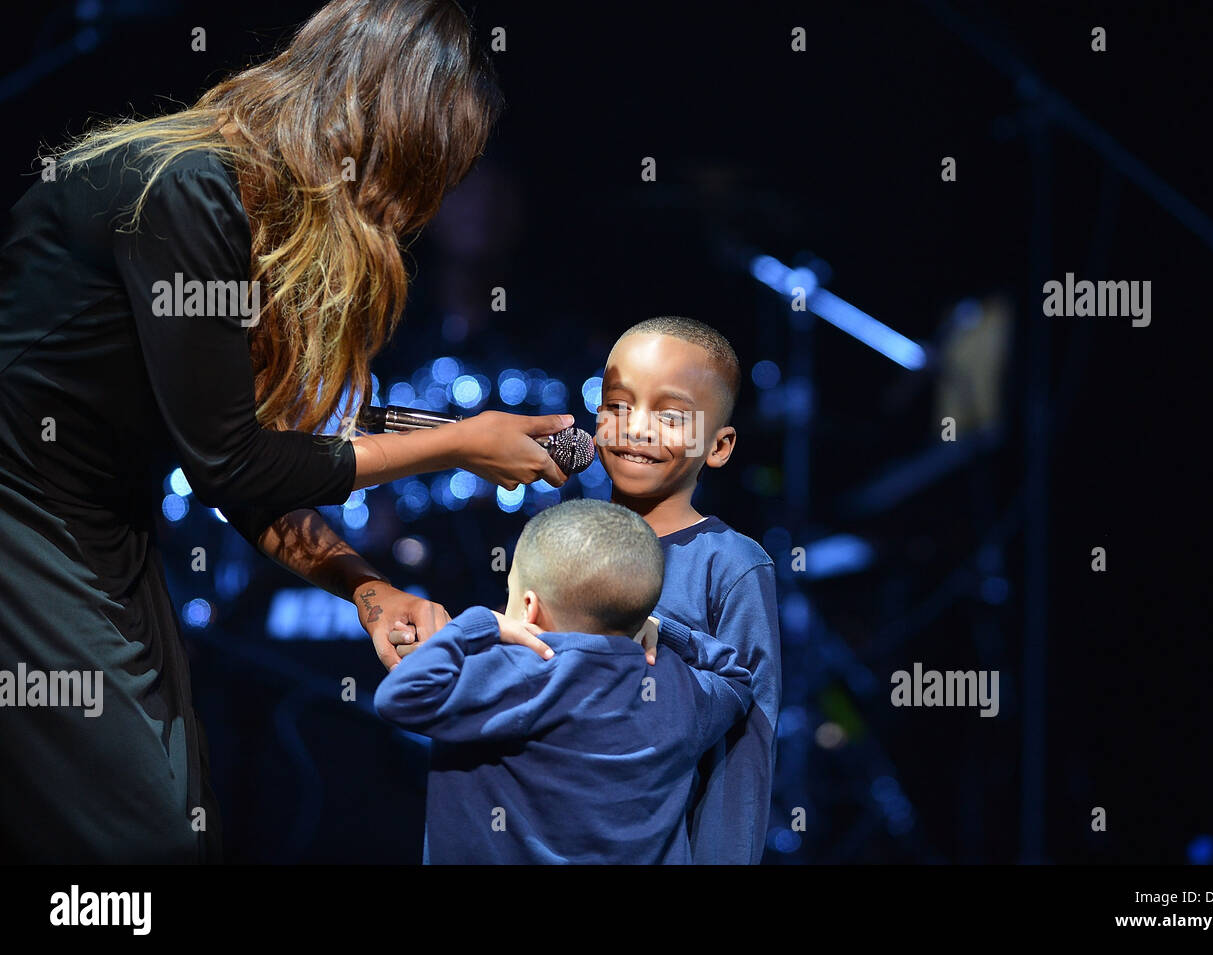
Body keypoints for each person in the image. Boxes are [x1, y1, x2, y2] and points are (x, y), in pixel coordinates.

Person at [0, 0, 566, 863]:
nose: (428, 201)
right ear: (381, 126)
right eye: (429, 164)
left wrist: (367, 589)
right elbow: (233, 457)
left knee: (178, 822)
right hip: (23, 524)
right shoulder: (181, 186)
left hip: (103, 535)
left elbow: (244, 472)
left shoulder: (242, 213)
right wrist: (458, 441)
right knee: (142, 847)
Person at [374, 499, 752, 863]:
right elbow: (736, 679)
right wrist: (661, 628)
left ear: (528, 607)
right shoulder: (678, 686)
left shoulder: (518, 671)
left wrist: (477, 624)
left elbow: (400, 696)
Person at [596, 316, 782, 864]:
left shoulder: (732, 565)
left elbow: (748, 745)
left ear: (719, 446)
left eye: (671, 415)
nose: (638, 428)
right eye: (619, 405)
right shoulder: (557, 541)